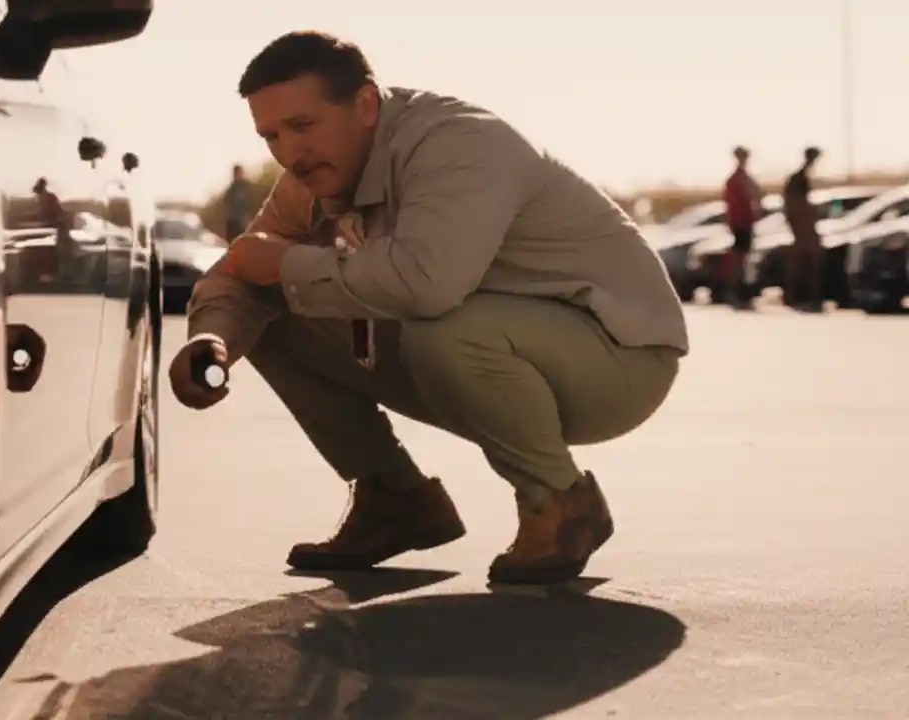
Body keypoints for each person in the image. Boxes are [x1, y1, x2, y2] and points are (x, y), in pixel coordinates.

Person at [169, 31, 688, 584]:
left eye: (303, 125)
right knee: (278, 319)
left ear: (366, 104)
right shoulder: (317, 174)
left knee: (441, 330)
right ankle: (393, 498)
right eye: (271, 135)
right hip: (500, 348)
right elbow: (245, 267)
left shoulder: (458, 144)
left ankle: (561, 504)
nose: (289, 152)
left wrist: (285, 264)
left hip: (619, 359)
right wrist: (213, 337)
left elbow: (427, 285)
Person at [722, 146, 763, 309]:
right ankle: (736, 291)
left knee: (743, 259)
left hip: (745, 222)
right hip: (740, 223)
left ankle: (740, 291)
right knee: (739, 259)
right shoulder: (736, 179)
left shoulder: (742, 178)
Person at [783, 147, 824, 311]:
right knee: (807, 262)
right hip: (802, 226)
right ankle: (801, 296)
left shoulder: (801, 177)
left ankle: (801, 296)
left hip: (803, 225)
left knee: (805, 262)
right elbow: (794, 203)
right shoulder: (798, 178)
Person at [223, 164, 253, 241]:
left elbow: (247, 204)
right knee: (232, 242)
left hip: (241, 220)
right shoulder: (232, 188)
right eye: (239, 172)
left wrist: (247, 218)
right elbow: (226, 204)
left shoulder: (245, 186)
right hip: (233, 220)